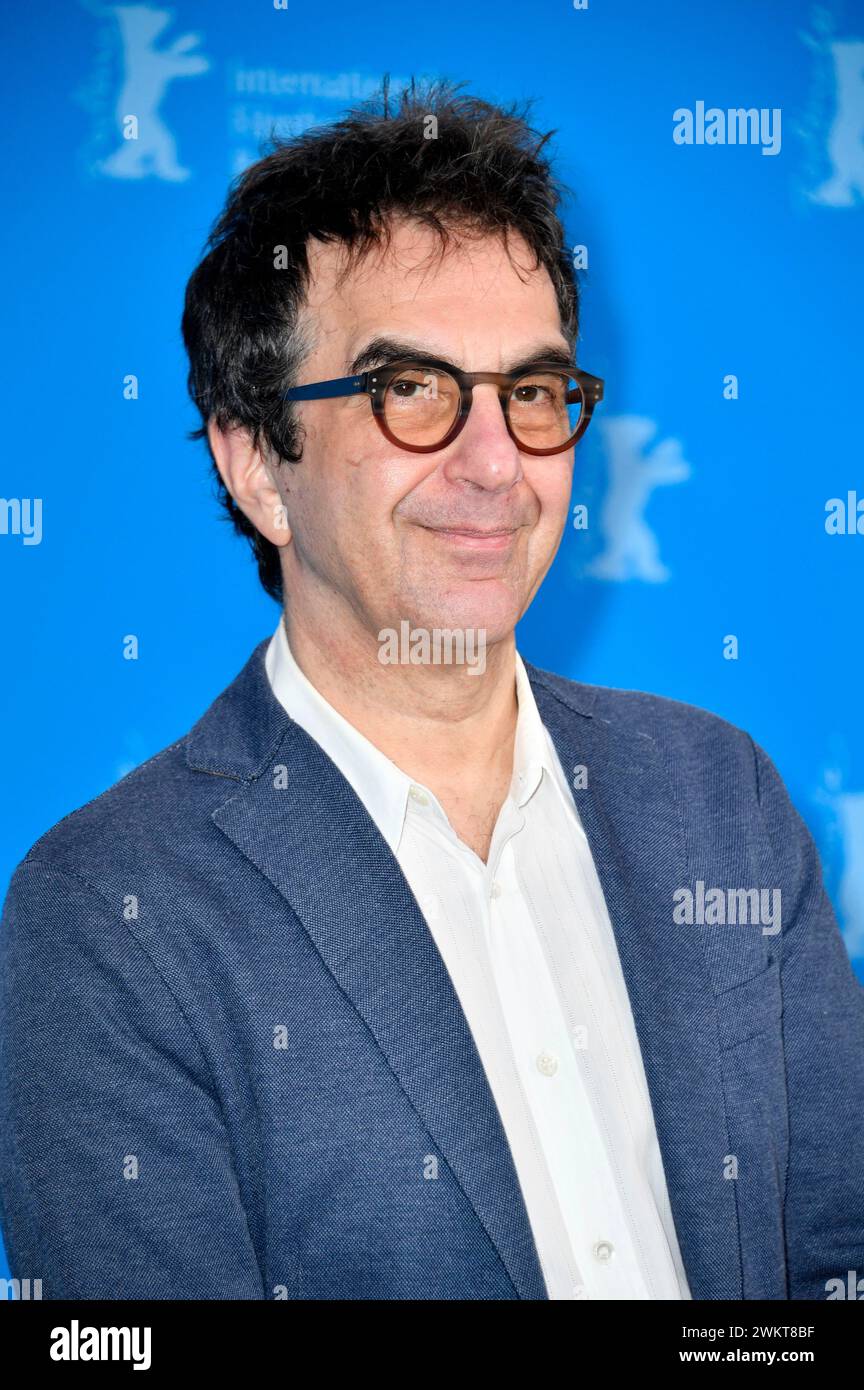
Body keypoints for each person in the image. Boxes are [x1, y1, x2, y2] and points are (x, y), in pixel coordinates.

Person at [1, 80, 862, 1301]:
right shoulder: (113, 910)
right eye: (411, 389)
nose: (497, 461)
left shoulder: (719, 795)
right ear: (258, 464)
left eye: (532, 390)